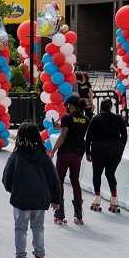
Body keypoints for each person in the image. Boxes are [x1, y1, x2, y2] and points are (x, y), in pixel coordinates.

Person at [2, 123, 59, 258]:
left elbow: (6, 179)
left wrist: (14, 190)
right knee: (38, 228)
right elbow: (53, 179)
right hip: (40, 199)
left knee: (21, 230)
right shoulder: (43, 156)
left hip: (21, 199)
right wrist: (56, 199)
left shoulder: (16, 156)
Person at [51, 96, 90, 226]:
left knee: (59, 181)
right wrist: (60, 127)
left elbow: (64, 135)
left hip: (65, 152)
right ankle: (79, 216)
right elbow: (72, 130)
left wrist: (54, 149)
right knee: (75, 181)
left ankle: (60, 215)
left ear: (70, 105)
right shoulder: (85, 119)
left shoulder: (67, 117)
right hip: (78, 153)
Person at [85, 99, 128, 213]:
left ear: (101, 107)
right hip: (115, 149)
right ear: (111, 107)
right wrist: (121, 148)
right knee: (110, 173)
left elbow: (88, 137)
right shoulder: (118, 118)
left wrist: (88, 152)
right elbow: (124, 135)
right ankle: (114, 198)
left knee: (97, 173)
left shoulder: (96, 119)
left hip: (98, 149)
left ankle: (97, 197)